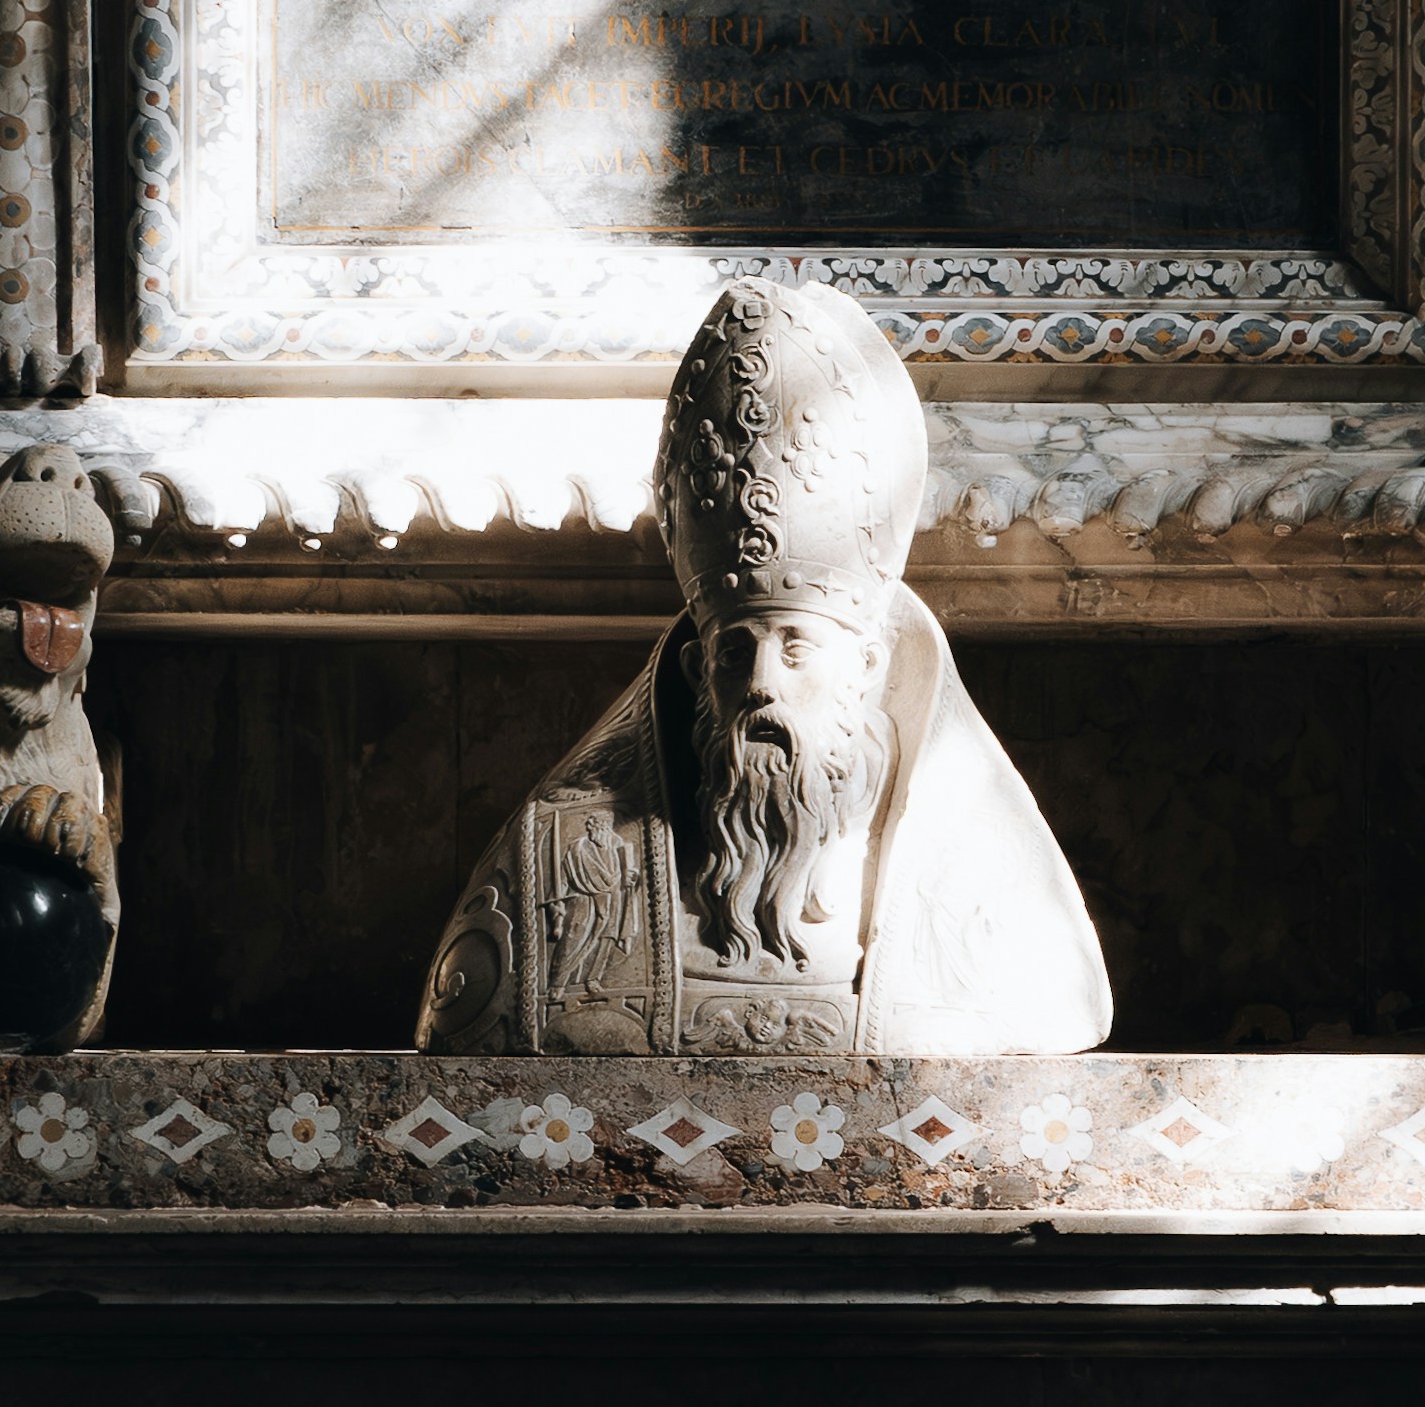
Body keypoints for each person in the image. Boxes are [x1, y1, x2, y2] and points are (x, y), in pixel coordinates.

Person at [416, 278, 1107, 1060]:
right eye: (733, 652)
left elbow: (1058, 1022)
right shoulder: (558, 858)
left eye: (798, 646)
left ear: (869, 666)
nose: (761, 684)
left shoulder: (990, 880)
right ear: (693, 666)